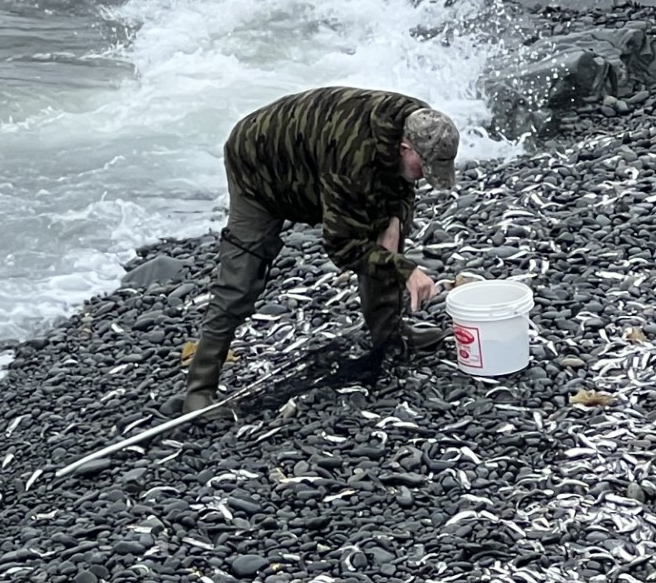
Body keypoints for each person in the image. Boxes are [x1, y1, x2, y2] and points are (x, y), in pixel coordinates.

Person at [183, 86, 461, 413]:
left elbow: (401, 186)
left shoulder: (419, 121)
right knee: (241, 280)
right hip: (259, 167)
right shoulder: (354, 160)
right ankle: (199, 389)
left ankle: (389, 336)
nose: (425, 179)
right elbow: (342, 246)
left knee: (389, 235)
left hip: (317, 158)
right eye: (423, 169)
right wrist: (406, 270)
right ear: (404, 148)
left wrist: (395, 220)